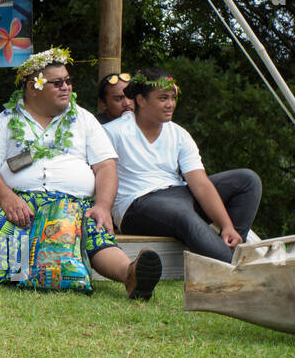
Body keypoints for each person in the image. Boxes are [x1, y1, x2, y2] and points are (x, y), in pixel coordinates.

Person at [0, 47, 162, 299]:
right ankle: (8, 272)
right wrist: (6, 198)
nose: (66, 87)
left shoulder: (84, 119)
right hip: (23, 203)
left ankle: (131, 275)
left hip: (74, 203)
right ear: (33, 86)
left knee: (93, 229)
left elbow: (106, 166)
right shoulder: (6, 120)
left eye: (68, 81)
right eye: (57, 83)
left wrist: (102, 205)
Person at [105, 68, 261, 262]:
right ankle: (233, 267)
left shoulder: (179, 134)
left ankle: (232, 250)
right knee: (182, 214)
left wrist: (226, 225)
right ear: (141, 100)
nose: (170, 104)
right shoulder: (112, 132)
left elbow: (201, 184)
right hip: (137, 205)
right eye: (163, 98)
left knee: (247, 180)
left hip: (178, 196)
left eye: (173, 98)